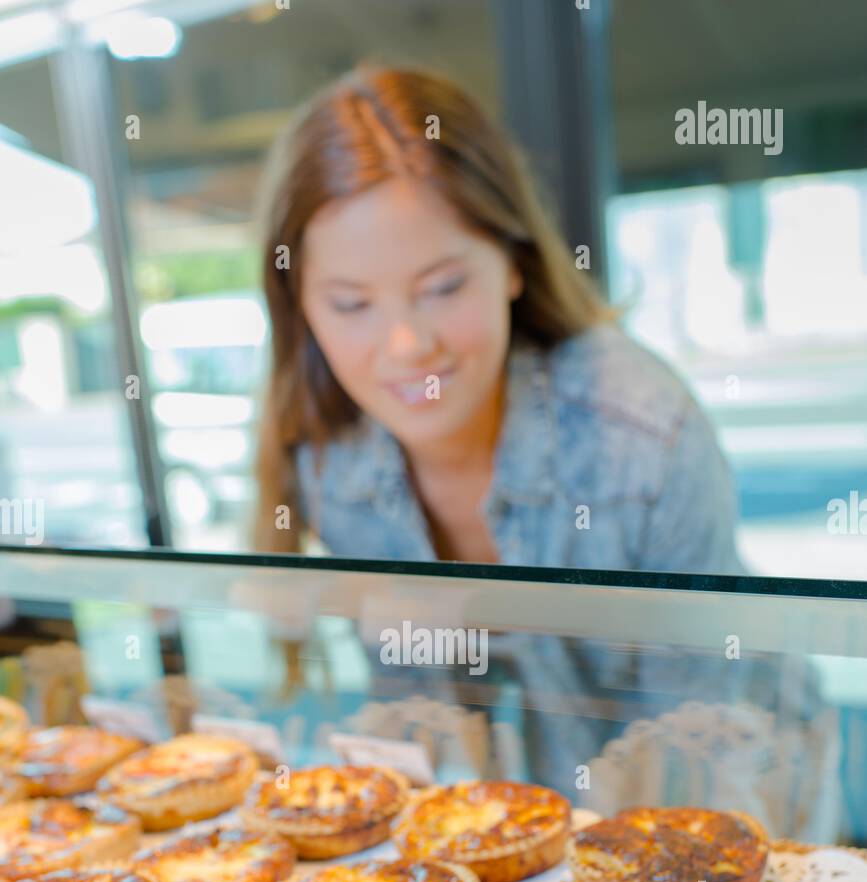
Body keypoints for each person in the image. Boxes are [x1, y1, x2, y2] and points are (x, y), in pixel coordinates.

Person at [254, 64, 741, 574]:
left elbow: (702, 654)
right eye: (351, 304)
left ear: (512, 260)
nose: (407, 345)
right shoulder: (322, 456)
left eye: (444, 287)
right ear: (300, 306)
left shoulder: (644, 440)